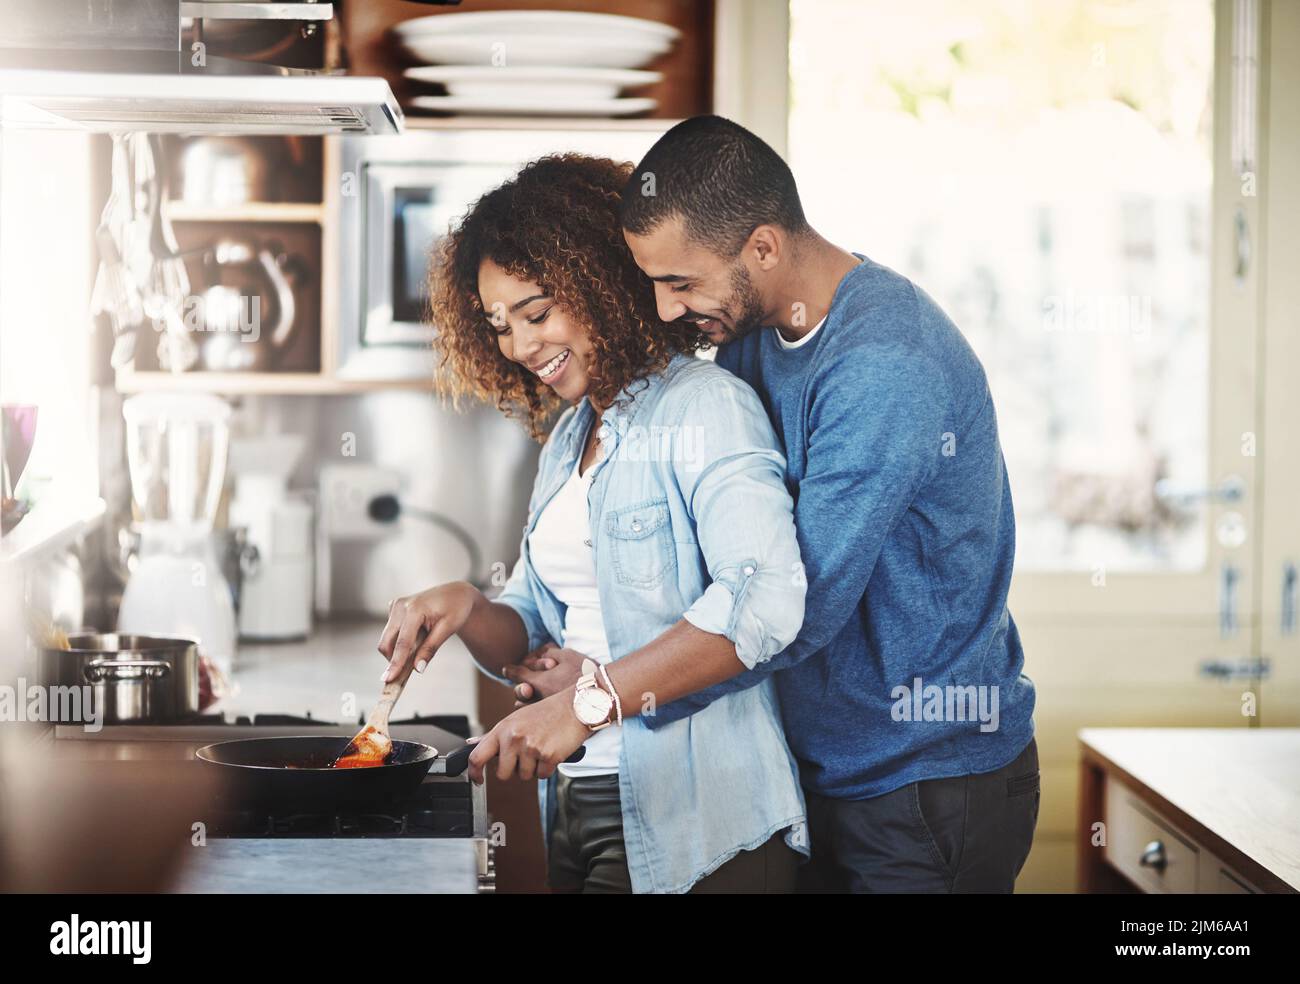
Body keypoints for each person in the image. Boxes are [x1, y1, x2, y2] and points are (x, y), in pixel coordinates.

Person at [500, 116, 1040, 894]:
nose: (662, 310)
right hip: (819, 766)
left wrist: (606, 691)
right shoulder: (751, 336)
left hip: (922, 781)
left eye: (681, 282)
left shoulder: (887, 365)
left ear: (763, 246)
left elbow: (795, 603)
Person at [377, 153, 808, 894]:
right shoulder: (572, 437)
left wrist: (587, 701)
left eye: (537, 313)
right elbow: (541, 630)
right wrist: (471, 608)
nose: (519, 346)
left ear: (600, 281)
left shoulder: (704, 407)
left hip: (698, 819)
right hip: (577, 801)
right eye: (499, 324)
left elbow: (764, 597)